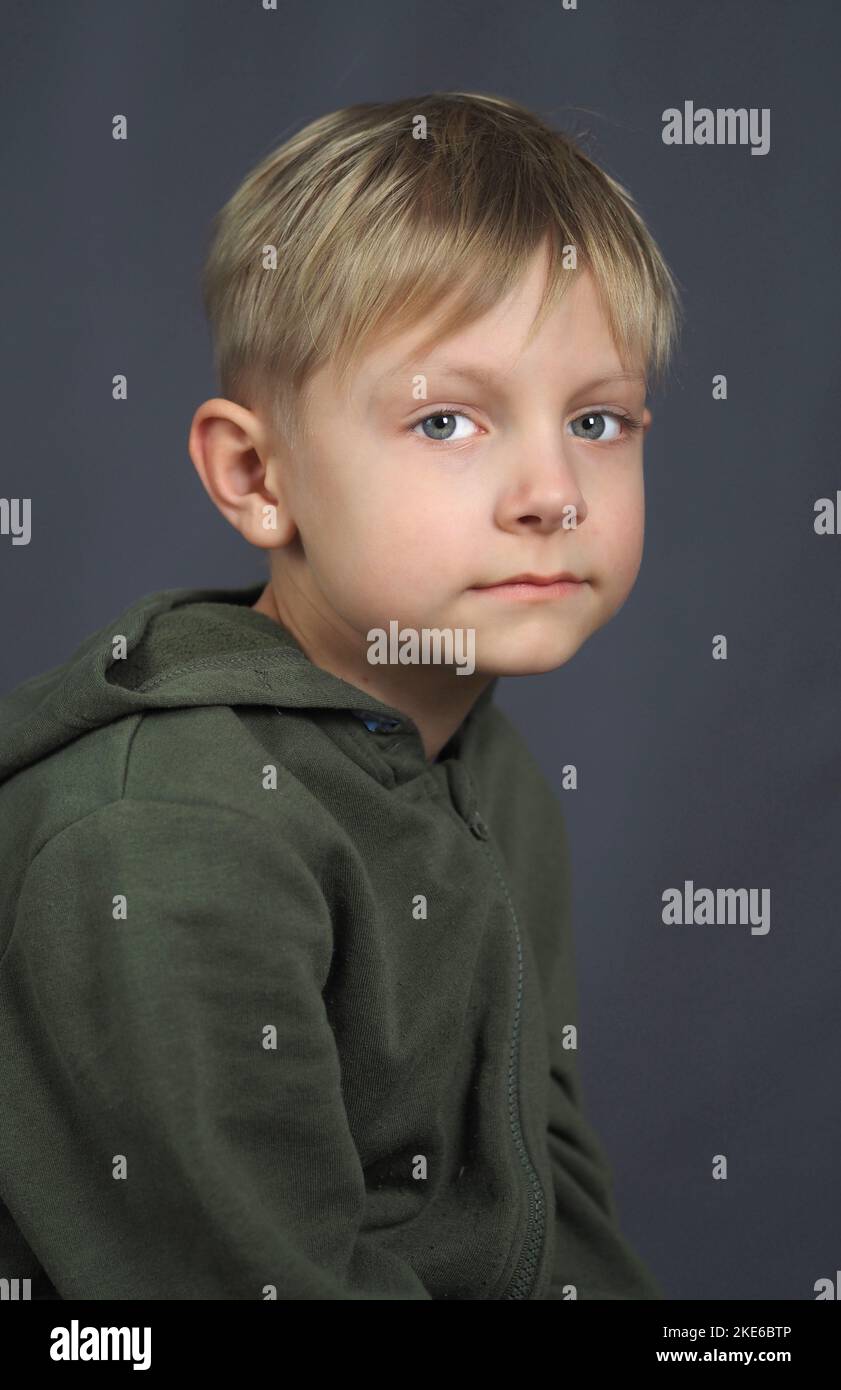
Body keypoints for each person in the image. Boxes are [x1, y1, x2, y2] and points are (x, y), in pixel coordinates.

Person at [0, 91, 681, 1299]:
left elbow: (542, 1170)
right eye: (444, 418)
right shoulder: (170, 836)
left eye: (595, 418)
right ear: (258, 475)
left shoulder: (487, 768)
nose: (551, 490)